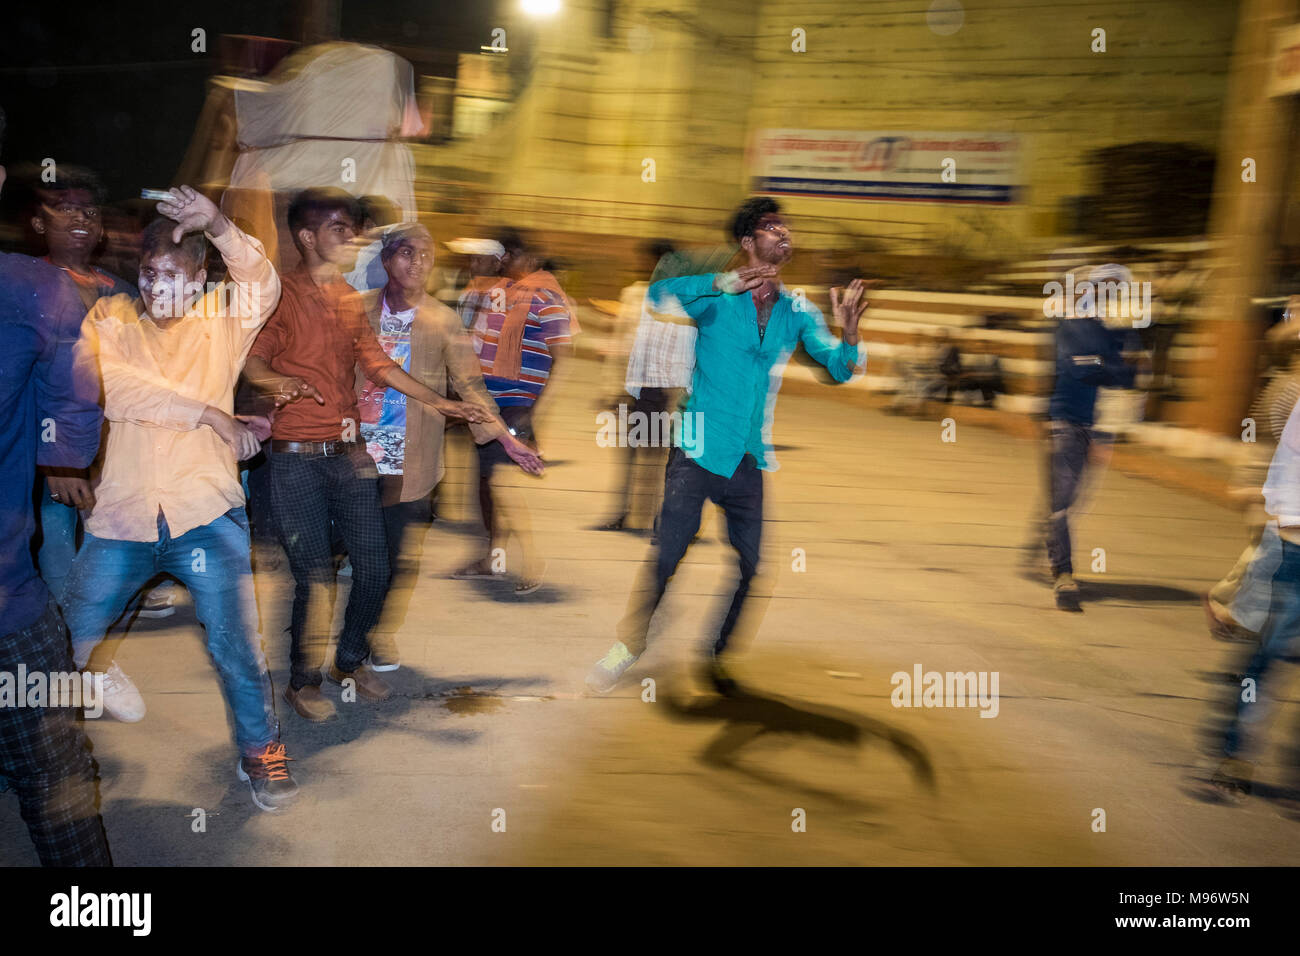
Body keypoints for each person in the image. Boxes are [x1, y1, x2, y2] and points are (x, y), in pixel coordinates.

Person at [61, 187, 299, 812]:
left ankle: (262, 754)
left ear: (199, 278)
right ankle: (38, 754)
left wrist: (218, 224)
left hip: (206, 515)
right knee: (69, 644)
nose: (159, 284)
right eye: (149, 271)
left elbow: (263, 284)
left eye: (174, 273)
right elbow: (114, 390)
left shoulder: (224, 319)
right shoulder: (108, 320)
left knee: (238, 647)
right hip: (121, 518)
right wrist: (211, 416)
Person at [586, 197, 868, 695]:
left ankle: (717, 657)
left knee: (754, 566)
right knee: (668, 554)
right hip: (696, 444)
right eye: (769, 226)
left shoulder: (796, 310)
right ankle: (627, 646)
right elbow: (658, 296)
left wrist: (849, 336)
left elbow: (839, 368)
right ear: (747, 243)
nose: (783, 232)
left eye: (785, 226)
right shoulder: (717, 298)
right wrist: (721, 282)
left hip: (748, 454)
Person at [243, 188, 494, 720]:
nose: (350, 237)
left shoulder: (344, 299)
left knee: (376, 568)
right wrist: (277, 382)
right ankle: (302, 680)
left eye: (352, 228)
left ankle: (348, 660)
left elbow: (378, 364)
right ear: (308, 237)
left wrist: (443, 403)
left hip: (347, 453)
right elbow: (254, 360)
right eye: (338, 228)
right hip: (295, 457)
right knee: (315, 576)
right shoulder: (280, 294)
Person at [0, 105, 113, 863]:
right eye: (63, 211)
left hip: (53, 509)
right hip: (14, 578)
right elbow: (73, 411)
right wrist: (65, 461)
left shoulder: (99, 289)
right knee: (56, 767)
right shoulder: (36, 291)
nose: (80, 223)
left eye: (88, 212)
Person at [356, 223, 543, 654]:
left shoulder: (443, 320)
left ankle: (376, 635)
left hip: (412, 455)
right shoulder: (355, 310)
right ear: (386, 260)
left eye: (425, 254)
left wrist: (508, 439)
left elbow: (472, 386)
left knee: (397, 556)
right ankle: (355, 627)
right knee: (355, 552)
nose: (417, 261)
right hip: (354, 451)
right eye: (406, 252)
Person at [455, 229, 573, 594]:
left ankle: (531, 560)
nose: (506, 263)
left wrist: (535, 412)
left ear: (530, 260)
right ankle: (493, 558)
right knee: (486, 485)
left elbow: (564, 360)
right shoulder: (501, 296)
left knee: (503, 484)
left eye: (512, 257)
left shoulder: (546, 296)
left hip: (519, 405)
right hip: (490, 403)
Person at [1038, 264, 1141, 612]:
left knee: (1073, 502)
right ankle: (1064, 574)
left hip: (1092, 427)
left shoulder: (1108, 331)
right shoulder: (1069, 324)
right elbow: (1077, 367)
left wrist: (1103, 364)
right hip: (1064, 423)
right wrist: (1106, 365)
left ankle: (1049, 545)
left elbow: (1127, 376)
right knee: (1063, 503)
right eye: (1101, 287)